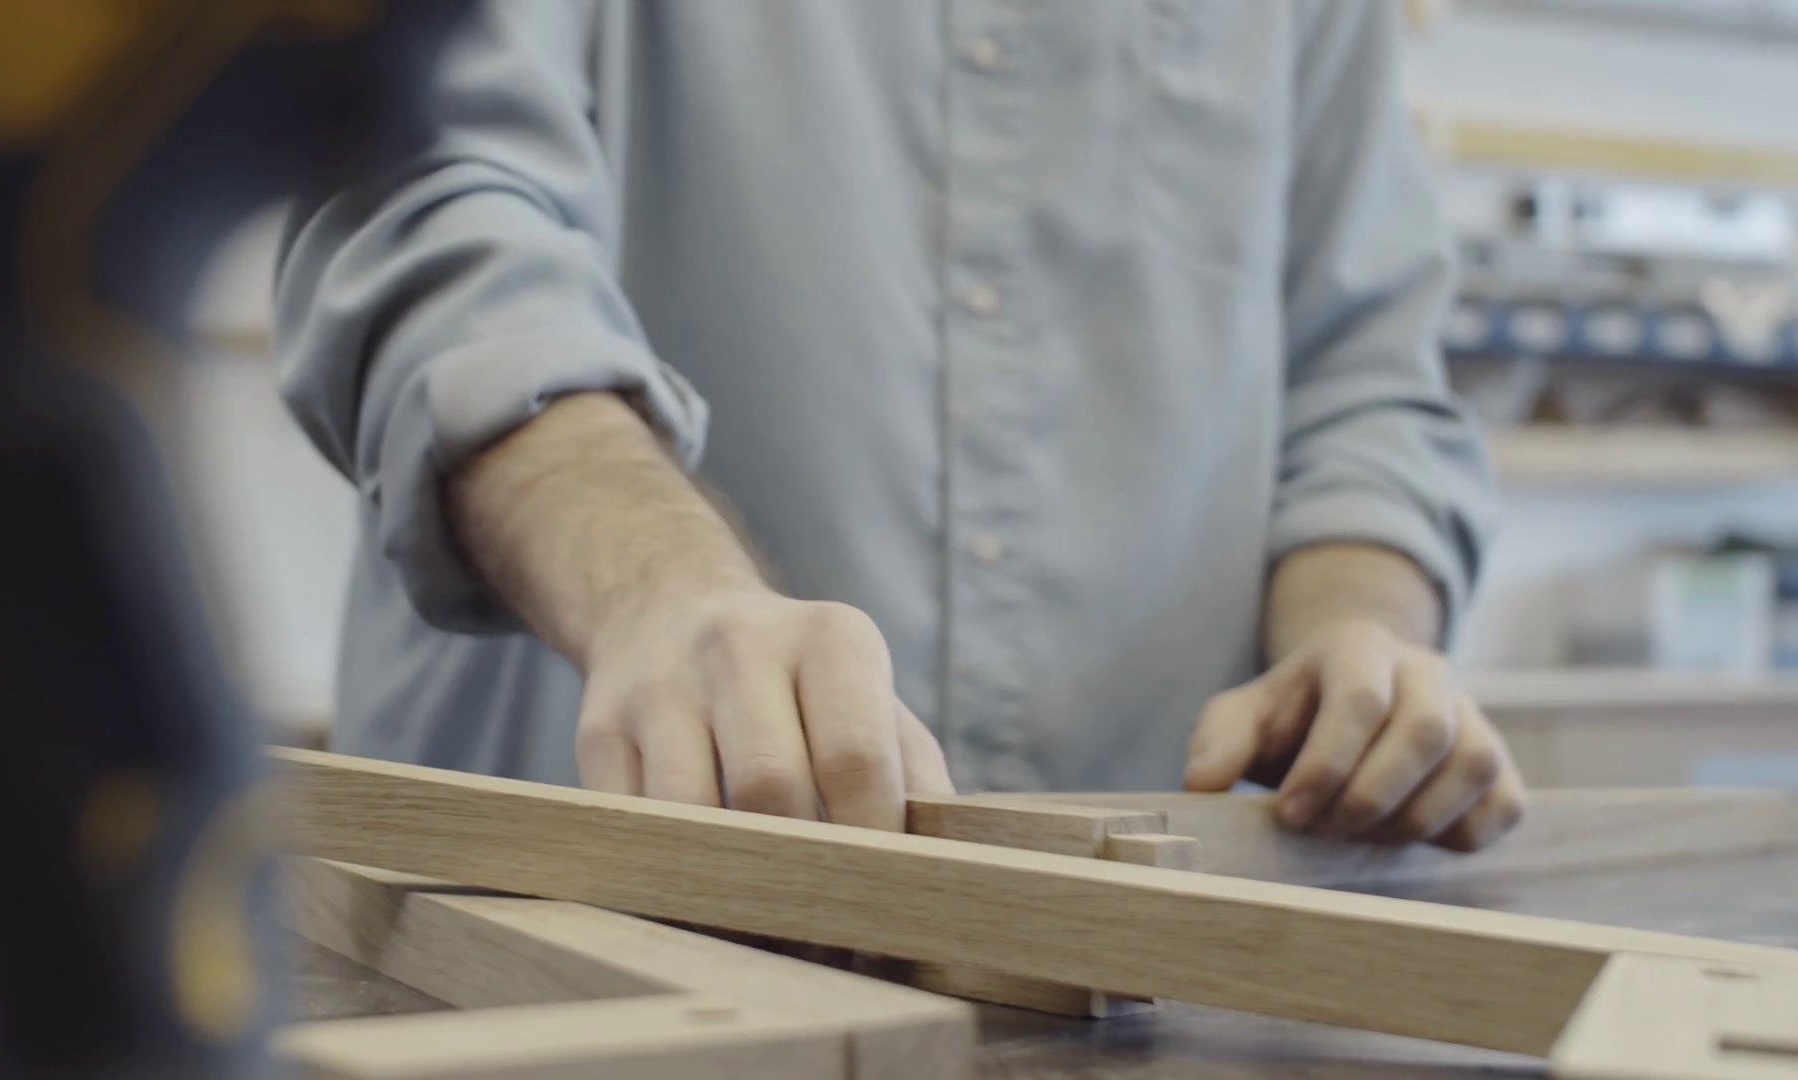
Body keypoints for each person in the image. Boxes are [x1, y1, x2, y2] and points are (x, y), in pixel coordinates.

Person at [275, 1, 1524, 849]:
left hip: (1155, 968)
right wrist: (654, 588)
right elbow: (420, 201)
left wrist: (1356, 635)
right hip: (574, 931)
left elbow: (1363, 368)